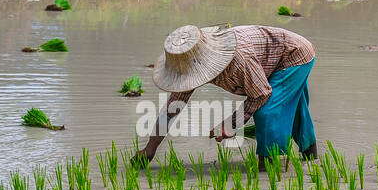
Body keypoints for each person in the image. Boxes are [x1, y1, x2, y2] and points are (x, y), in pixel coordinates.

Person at [132, 24, 317, 168]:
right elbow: (172, 109)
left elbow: (261, 94)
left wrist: (230, 124)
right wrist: (150, 149)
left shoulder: (237, 59)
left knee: (267, 112)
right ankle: (311, 157)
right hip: (270, 60)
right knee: (295, 108)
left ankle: (269, 170)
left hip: (294, 55)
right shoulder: (190, 66)